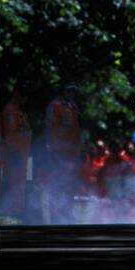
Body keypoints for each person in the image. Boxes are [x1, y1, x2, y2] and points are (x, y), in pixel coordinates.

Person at [44, 81, 83, 219]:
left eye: (73, 92)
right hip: (59, 151)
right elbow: (49, 128)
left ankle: (67, 212)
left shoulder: (73, 107)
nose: (71, 94)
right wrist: (51, 149)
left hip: (72, 153)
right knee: (57, 183)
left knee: (70, 183)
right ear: (61, 92)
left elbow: (77, 130)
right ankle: (56, 214)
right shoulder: (55, 107)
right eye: (68, 91)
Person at [0, 84, 32, 216]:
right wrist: (13, 152)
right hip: (15, 156)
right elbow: (10, 134)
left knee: (22, 184)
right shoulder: (10, 111)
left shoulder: (20, 112)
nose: (25, 100)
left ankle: (18, 211)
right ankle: (10, 212)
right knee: (13, 183)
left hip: (23, 155)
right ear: (17, 95)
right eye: (23, 96)